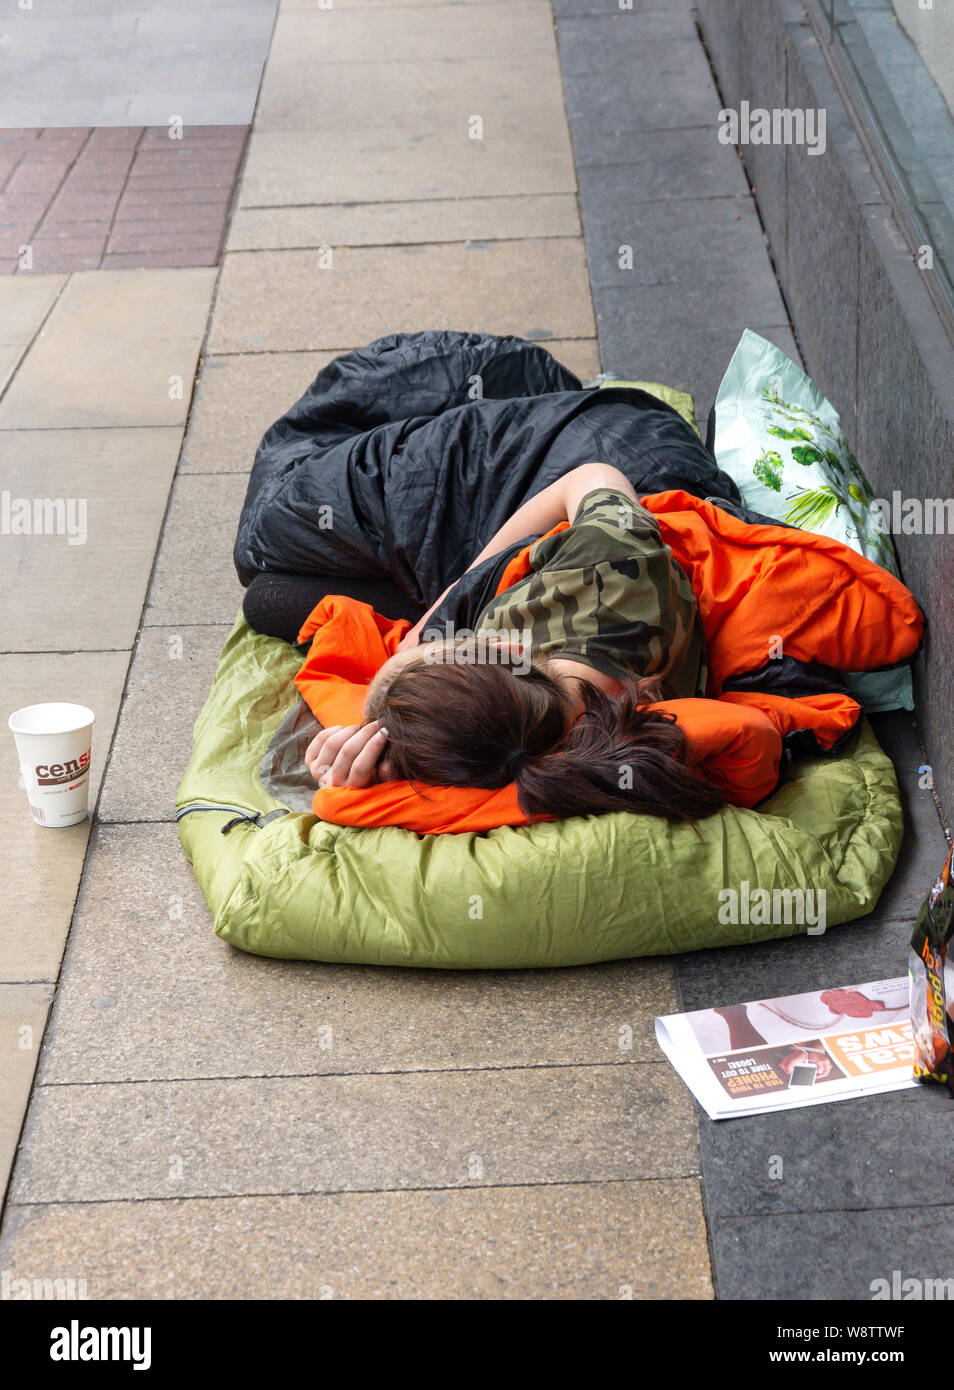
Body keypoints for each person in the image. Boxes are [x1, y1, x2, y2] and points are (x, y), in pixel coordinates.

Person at [303, 462, 728, 822]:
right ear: (509, 648)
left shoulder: (521, 756)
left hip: (512, 570)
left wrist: (359, 785)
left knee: (274, 591)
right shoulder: (612, 565)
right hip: (636, 477)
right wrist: (449, 600)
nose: (439, 633)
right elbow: (592, 472)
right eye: (448, 638)